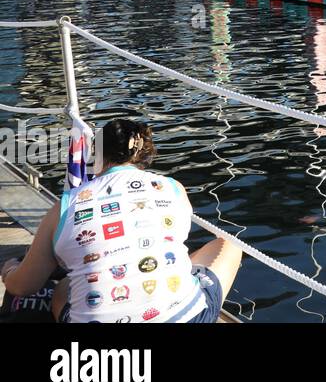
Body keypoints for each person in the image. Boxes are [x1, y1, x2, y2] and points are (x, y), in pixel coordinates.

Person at [0, 118, 243, 324]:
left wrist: (10, 270)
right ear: (145, 154)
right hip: (185, 318)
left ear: (97, 155)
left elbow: (23, 287)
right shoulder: (172, 188)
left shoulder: (64, 207)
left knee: (63, 289)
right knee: (228, 246)